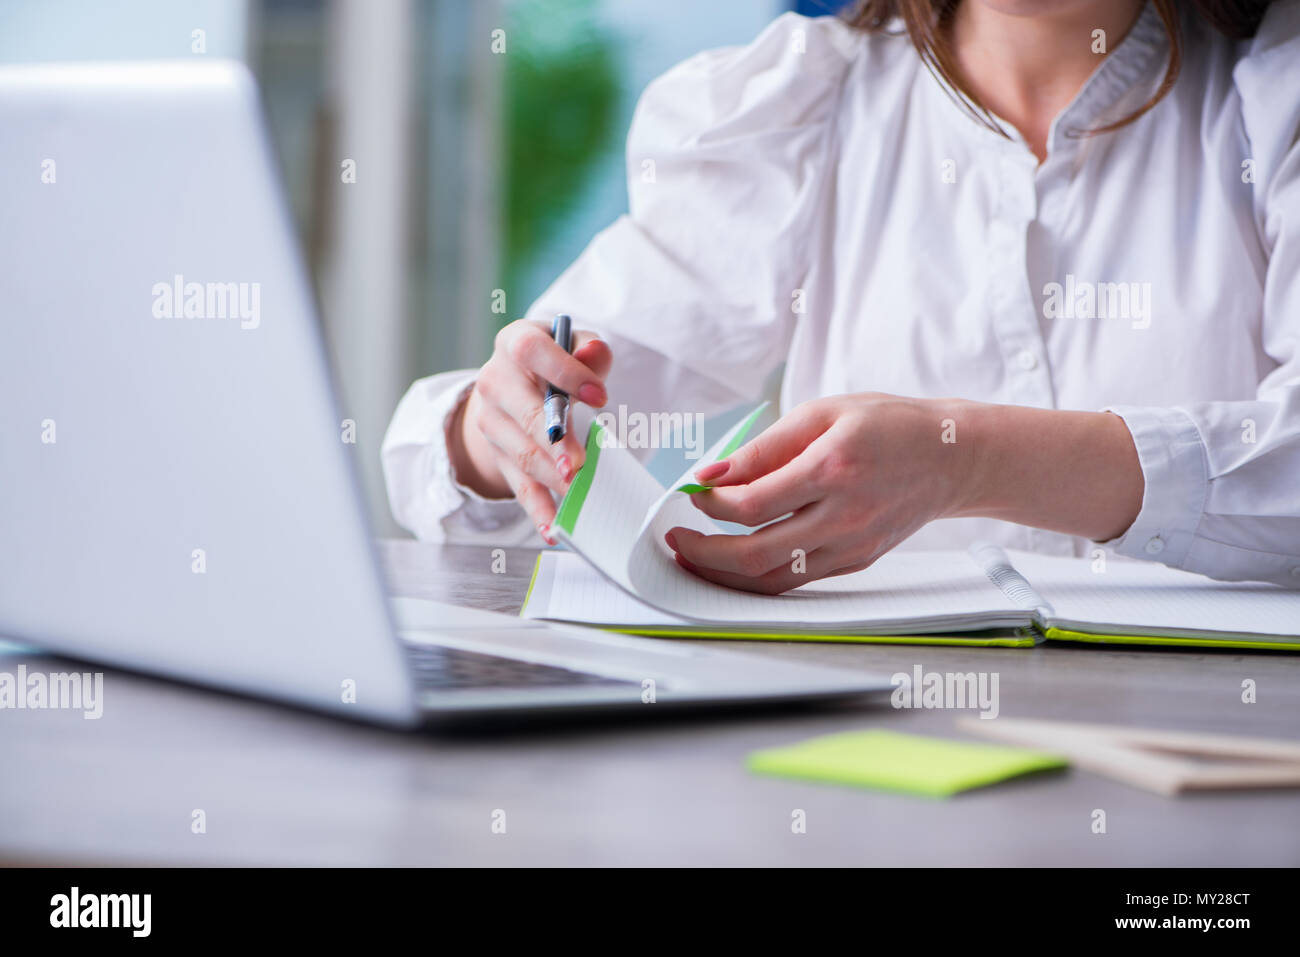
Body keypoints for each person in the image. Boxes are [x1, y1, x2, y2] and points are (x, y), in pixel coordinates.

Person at [383, 0, 1300, 593]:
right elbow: (518, 436)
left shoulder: (1274, 96)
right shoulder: (803, 105)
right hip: (866, 769)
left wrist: (966, 460)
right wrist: (488, 433)